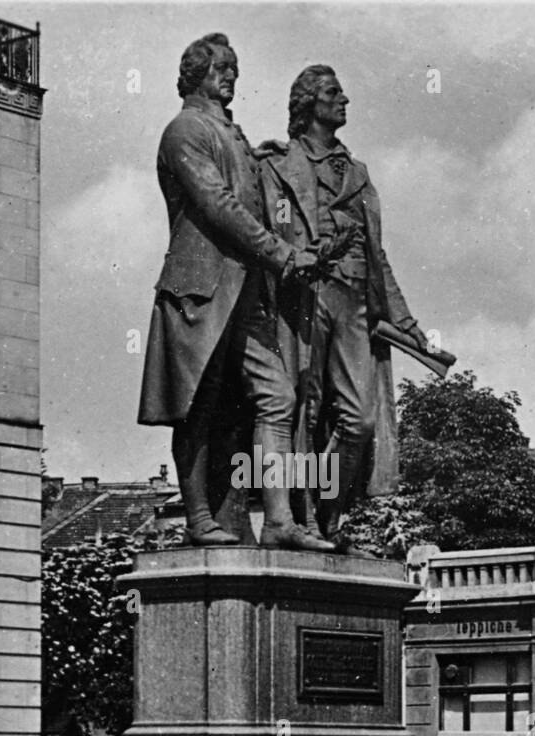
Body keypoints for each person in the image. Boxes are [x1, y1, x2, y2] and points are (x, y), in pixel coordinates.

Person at [137, 34, 333, 551]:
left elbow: (257, 199)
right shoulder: (185, 130)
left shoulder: (234, 136)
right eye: (222, 68)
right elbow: (218, 205)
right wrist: (281, 253)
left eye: (235, 68)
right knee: (196, 405)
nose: (231, 76)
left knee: (278, 396)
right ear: (195, 73)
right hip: (199, 290)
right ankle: (198, 518)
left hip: (245, 292)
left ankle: (279, 521)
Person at [259, 65, 430, 551]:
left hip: (354, 301)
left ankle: (331, 512)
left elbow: (379, 256)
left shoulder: (357, 173)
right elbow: (276, 231)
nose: (345, 100)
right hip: (306, 300)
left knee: (360, 419)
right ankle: (308, 520)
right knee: (306, 415)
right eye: (334, 93)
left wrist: (405, 320)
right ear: (309, 103)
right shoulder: (279, 165)